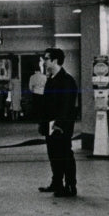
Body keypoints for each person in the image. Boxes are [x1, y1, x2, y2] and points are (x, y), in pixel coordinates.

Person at [38, 47, 78, 197]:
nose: (44, 62)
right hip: (50, 125)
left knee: (65, 154)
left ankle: (70, 185)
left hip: (61, 126)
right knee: (53, 154)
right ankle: (57, 183)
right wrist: (43, 123)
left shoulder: (67, 81)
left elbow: (67, 106)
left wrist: (59, 124)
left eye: (46, 59)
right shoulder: (51, 80)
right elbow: (45, 104)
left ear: (55, 60)